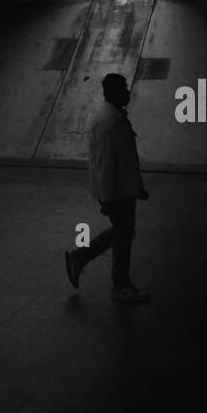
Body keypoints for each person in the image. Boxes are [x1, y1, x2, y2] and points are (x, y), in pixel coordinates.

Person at [64, 72, 150, 301]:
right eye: (123, 89)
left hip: (122, 190)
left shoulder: (113, 118)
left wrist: (136, 187)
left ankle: (82, 259)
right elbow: (105, 163)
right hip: (118, 193)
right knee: (123, 234)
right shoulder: (108, 122)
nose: (127, 92)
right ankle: (119, 284)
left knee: (123, 232)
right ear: (112, 92)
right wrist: (109, 198)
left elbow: (123, 159)